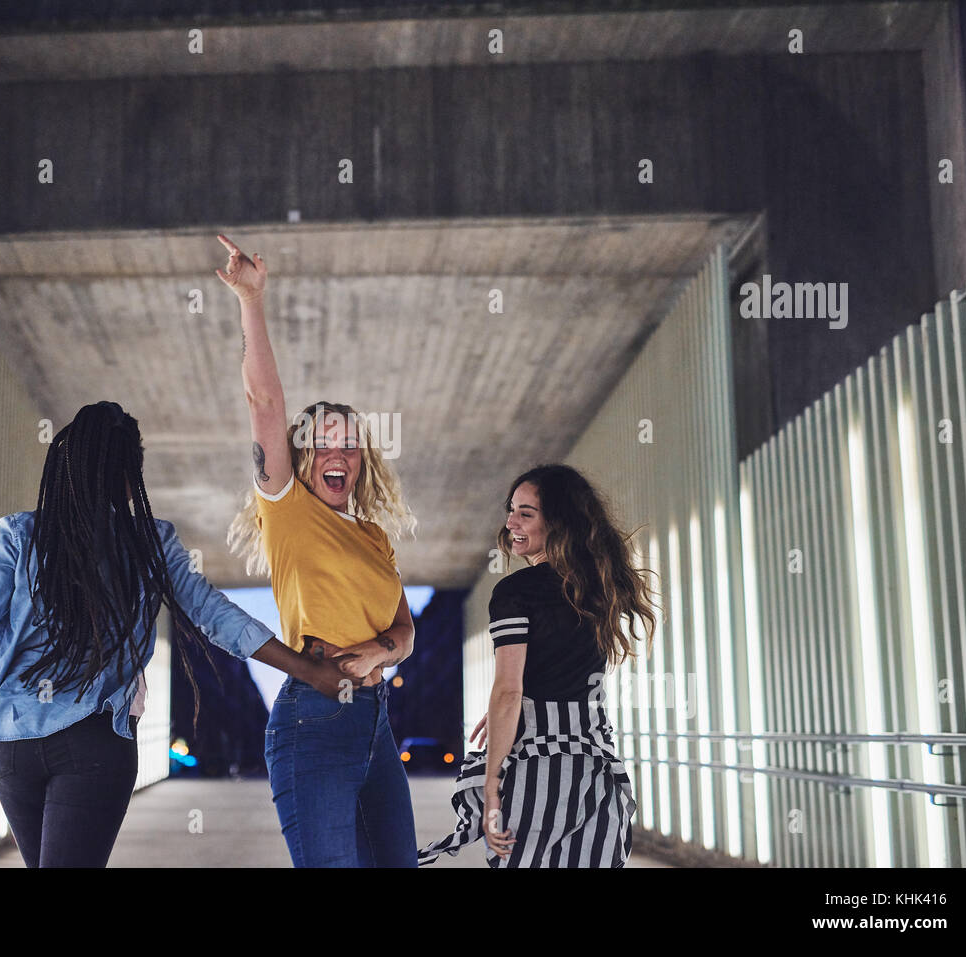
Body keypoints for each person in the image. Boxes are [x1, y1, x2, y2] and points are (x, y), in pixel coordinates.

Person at [0, 400, 351, 867]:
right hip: (93, 744)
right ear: (129, 476)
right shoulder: (148, 542)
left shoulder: (17, 535)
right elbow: (213, 614)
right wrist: (307, 670)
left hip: (14, 744)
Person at [216, 234, 421, 867]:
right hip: (316, 719)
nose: (339, 455)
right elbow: (265, 402)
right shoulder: (287, 509)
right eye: (323, 443)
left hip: (375, 721)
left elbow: (406, 629)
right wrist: (252, 300)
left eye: (350, 445)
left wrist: (382, 651)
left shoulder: (372, 536)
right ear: (301, 456)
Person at [419, 464, 657, 868]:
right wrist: (513, 710)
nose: (510, 522)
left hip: (537, 768)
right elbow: (556, 676)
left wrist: (491, 783)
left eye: (525, 513)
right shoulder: (600, 587)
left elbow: (509, 690)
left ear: (558, 523)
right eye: (511, 510)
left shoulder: (516, 592)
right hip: (594, 765)